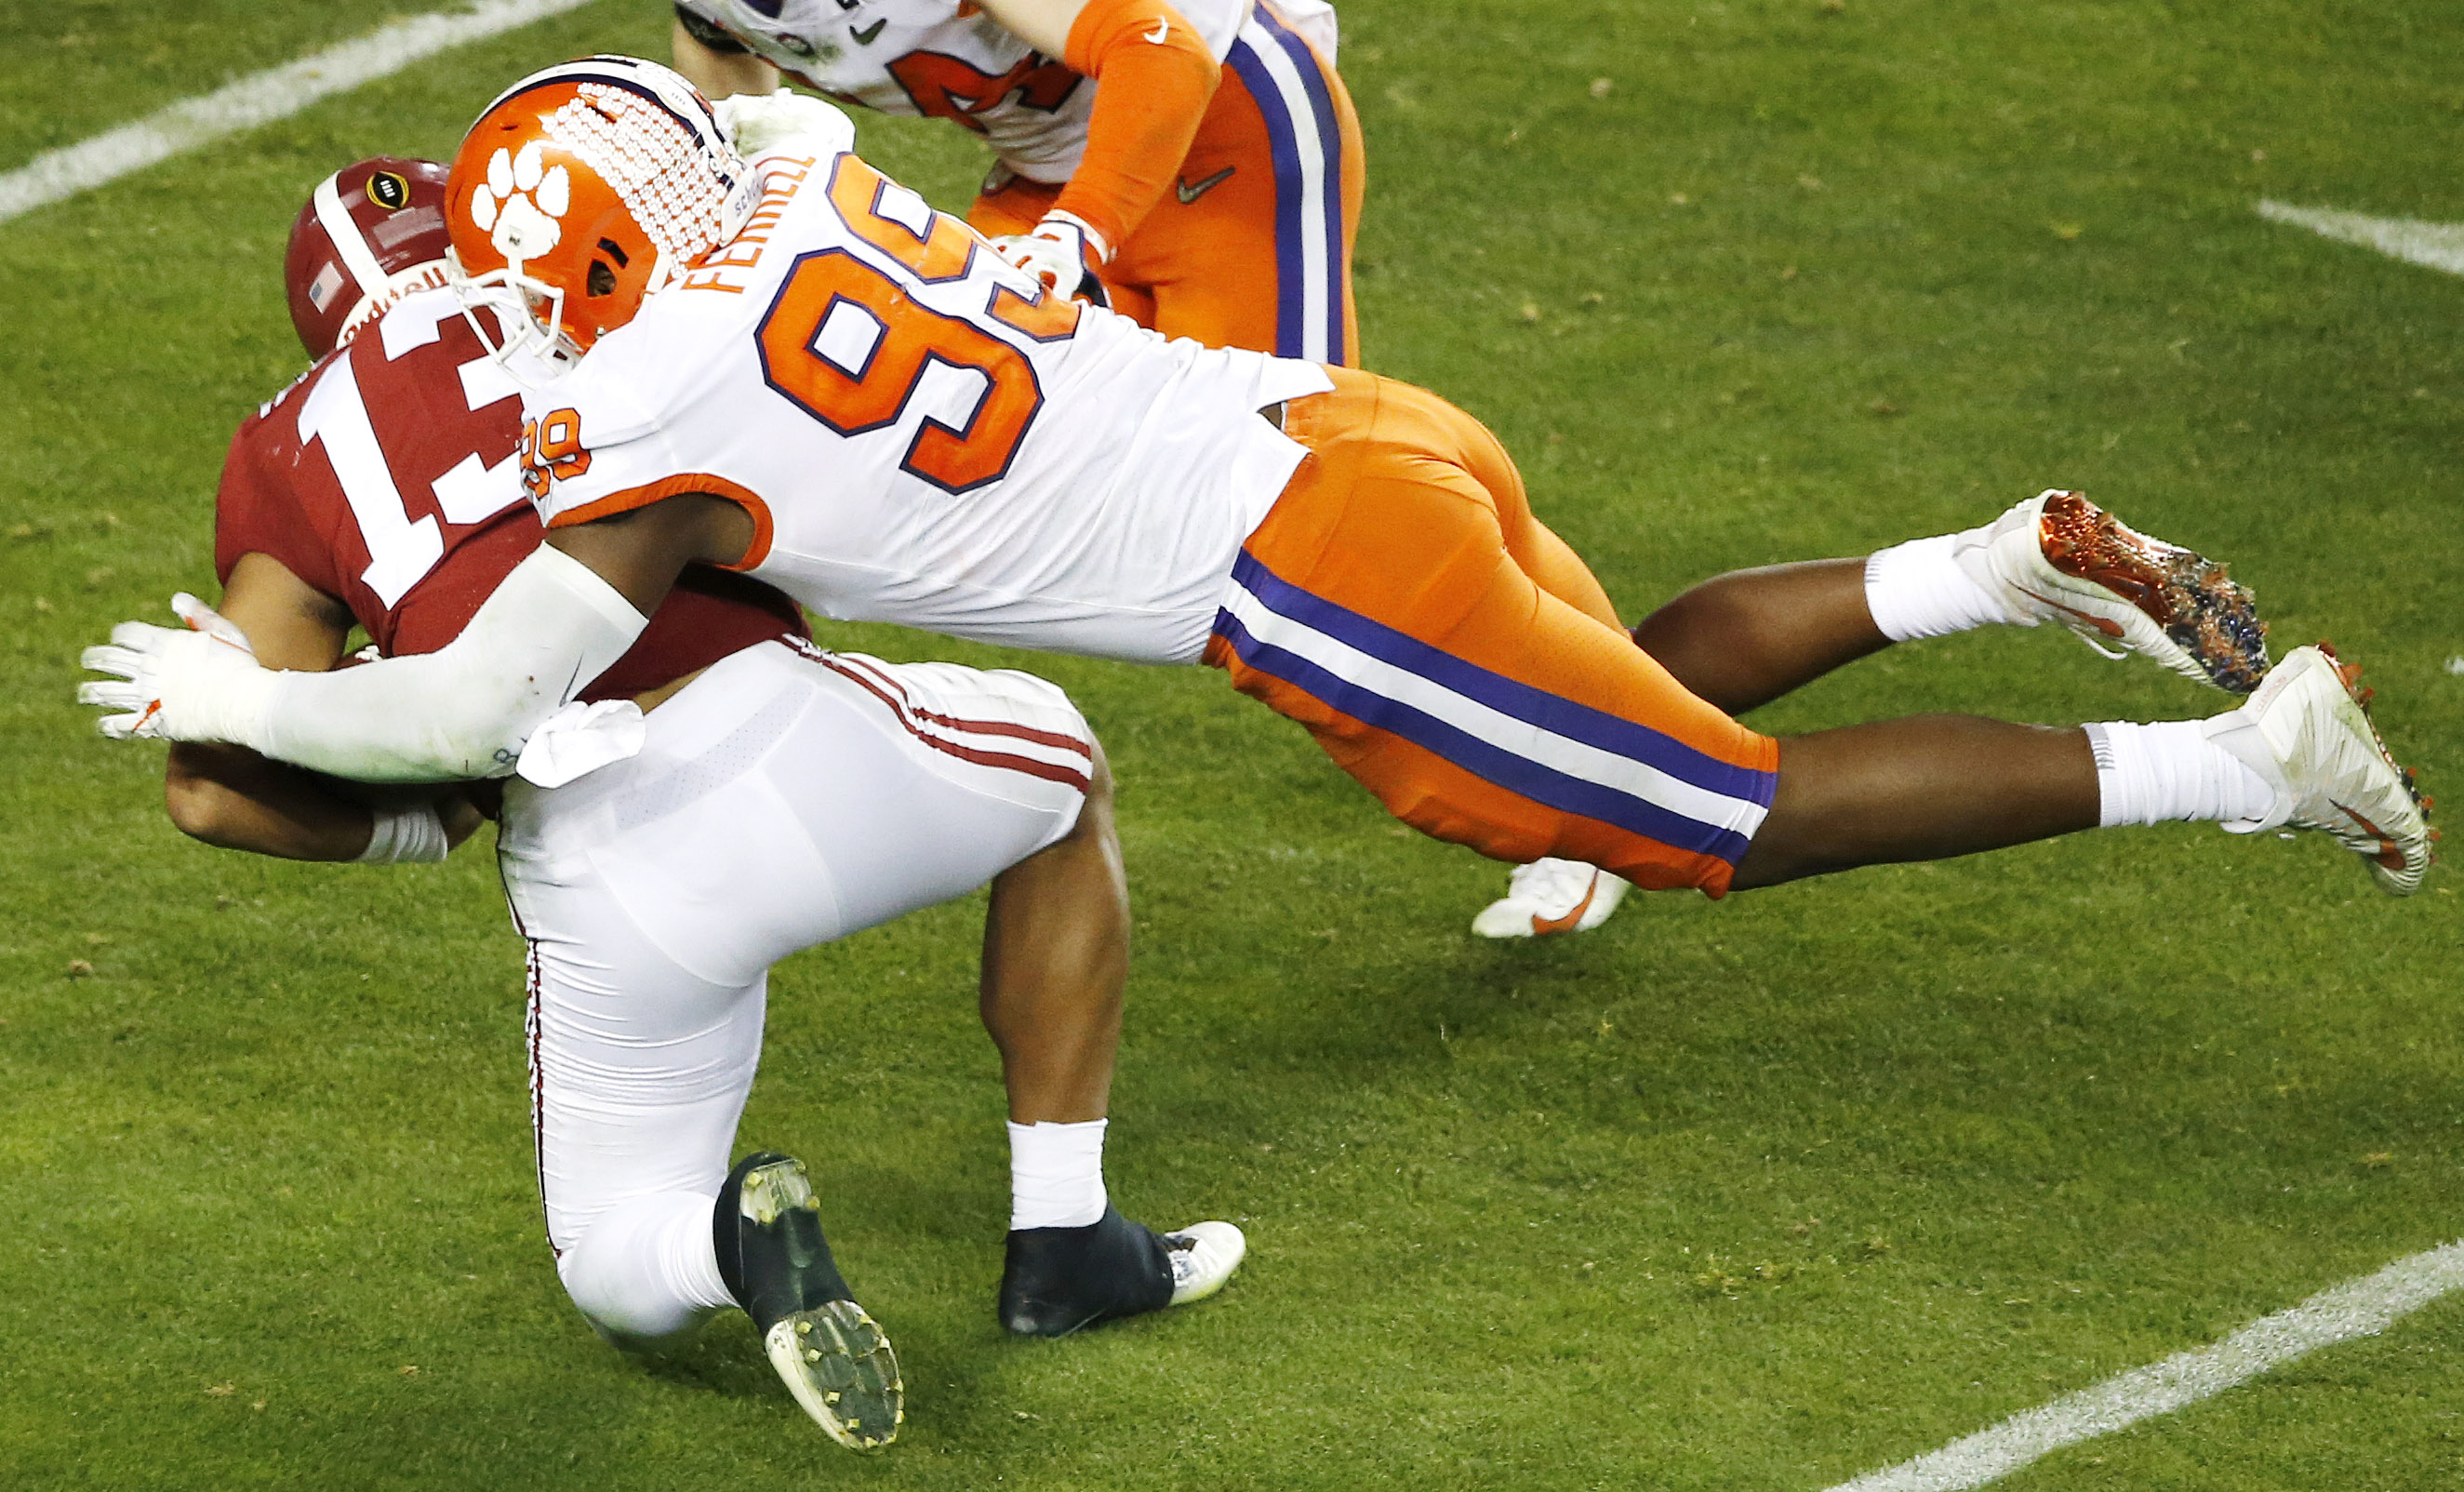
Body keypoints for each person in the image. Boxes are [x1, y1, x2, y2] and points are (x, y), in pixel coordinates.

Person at [83, 60, 2433, 956]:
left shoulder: (647, 458)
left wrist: (228, 681)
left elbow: (473, 699)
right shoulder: (798, 196)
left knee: (1691, 822)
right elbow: (746, 127)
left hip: (1294, 566)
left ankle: (2236, 770)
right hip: (1351, 420)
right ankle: (1985, 566)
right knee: (1596, 706)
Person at [147, 150, 1244, 1451]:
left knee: (615, 1261)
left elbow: (209, 800)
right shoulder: (609, 299)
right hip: (780, 738)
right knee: (1061, 776)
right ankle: (1065, 1241)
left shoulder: (289, 442)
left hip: (590, 862)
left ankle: (731, 1245)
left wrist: (414, 820)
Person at [665, 0, 1362, 366]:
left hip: (1222, 131)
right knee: (986, 420)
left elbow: (1162, 53)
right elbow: (723, 80)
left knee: (1286, 470)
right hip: (1047, 171)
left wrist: (1074, 232)